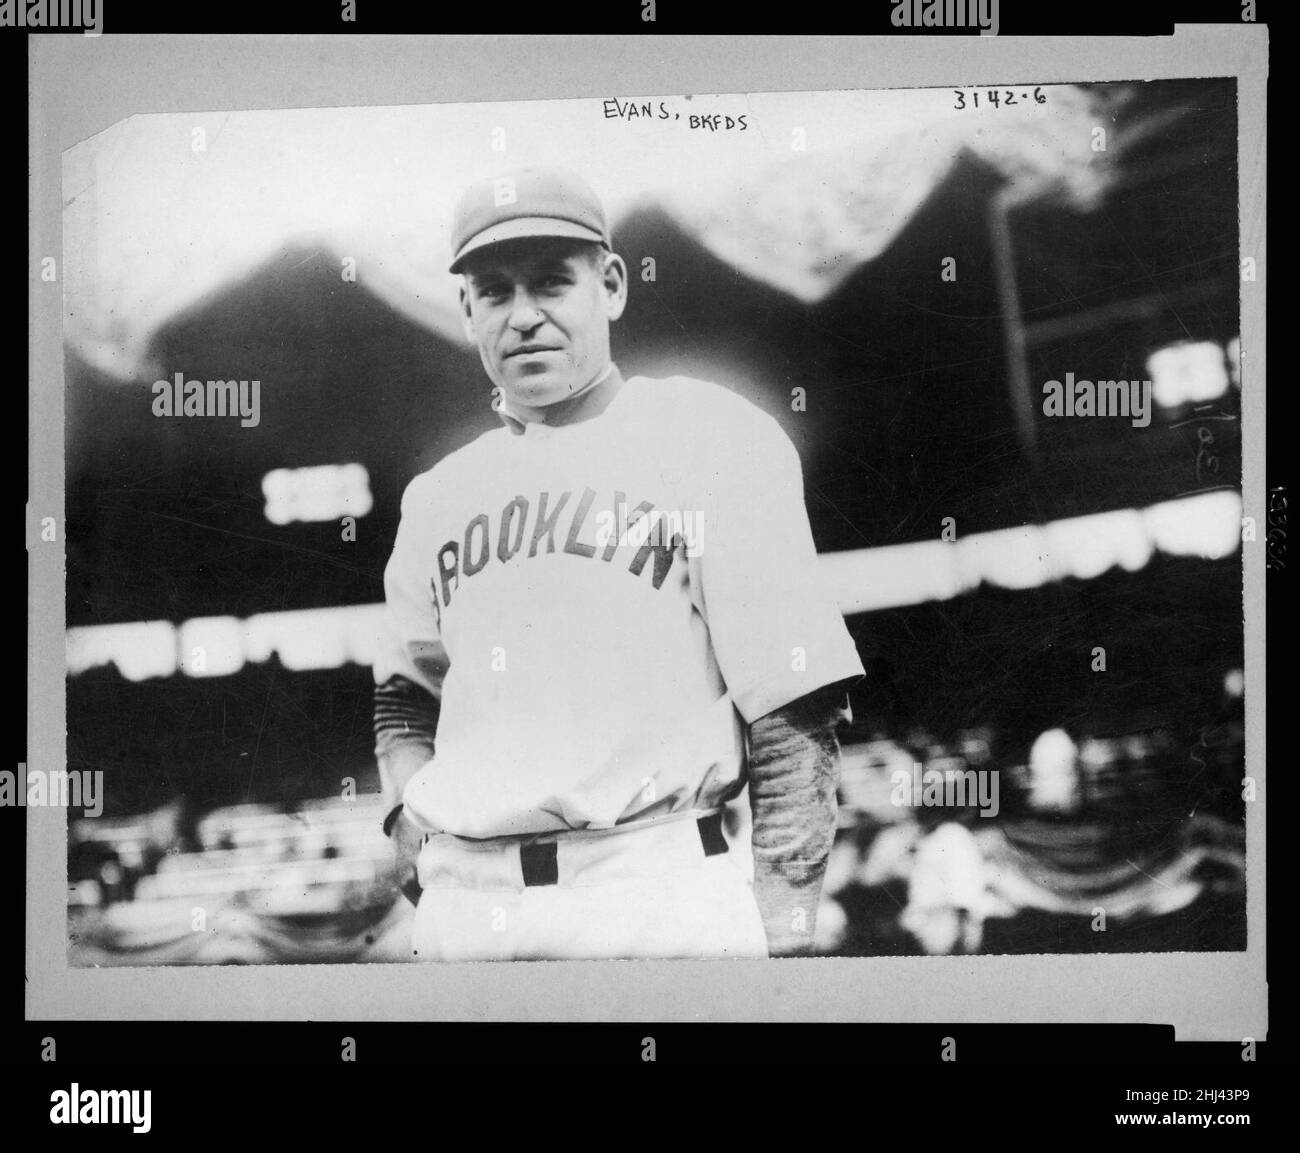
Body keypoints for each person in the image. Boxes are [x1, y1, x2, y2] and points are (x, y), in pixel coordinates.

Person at [372, 166, 864, 961]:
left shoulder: (709, 434)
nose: (524, 315)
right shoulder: (436, 495)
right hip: (470, 907)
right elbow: (402, 696)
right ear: (467, 312)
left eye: (551, 283)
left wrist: (787, 934)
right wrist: (408, 827)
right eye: (495, 292)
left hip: (655, 889)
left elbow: (794, 707)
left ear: (610, 285)